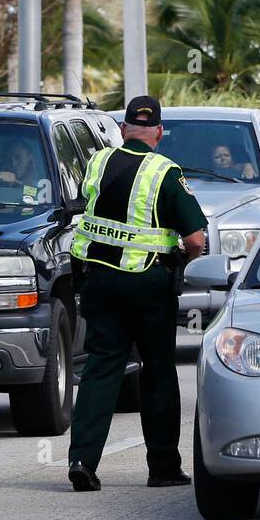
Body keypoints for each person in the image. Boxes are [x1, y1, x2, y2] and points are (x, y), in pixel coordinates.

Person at [67, 96, 207, 493]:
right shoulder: (166, 172)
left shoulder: (98, 161)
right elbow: (195, 239)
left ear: (124, 128)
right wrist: (182, 257)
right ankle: (162, 467)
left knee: (100, 370)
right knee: (158, 371)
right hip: (148, 285)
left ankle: (82, 461)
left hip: (99, 281)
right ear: (159, 132)